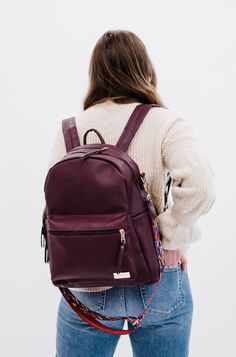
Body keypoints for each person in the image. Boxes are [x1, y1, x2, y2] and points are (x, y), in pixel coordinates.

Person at [46, 30, 216, 357]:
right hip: (156, 280)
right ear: (145, 69)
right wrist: (168, 238)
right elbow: (199, 184)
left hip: (85, 284)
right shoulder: (165, 122)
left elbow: (53, 205)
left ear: (95, 73)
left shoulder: (71, 129)